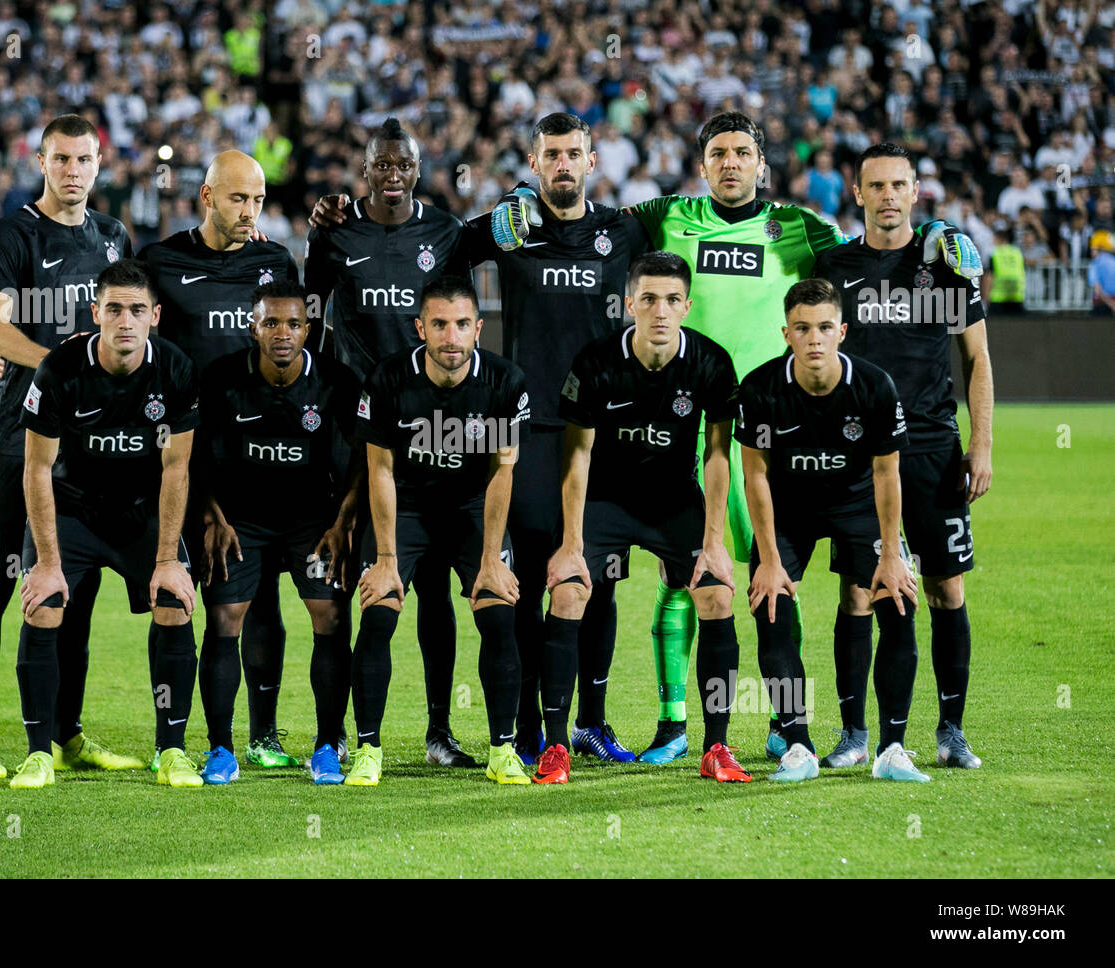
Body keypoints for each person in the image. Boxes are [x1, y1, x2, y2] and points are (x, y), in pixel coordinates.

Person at [497, 110, 982, 764]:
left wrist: (938, 232)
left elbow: (879, 239)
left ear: (761, 164)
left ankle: (789, 726)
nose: (730, 162)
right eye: (719, 152)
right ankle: (674, 725)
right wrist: (523, 198)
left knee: (769, 581)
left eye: (743, 152)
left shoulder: (804, 230)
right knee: (685, 583)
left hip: (764, 435)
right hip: (684, 432)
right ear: (703, 165)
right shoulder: (666, 216)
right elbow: (586, 213)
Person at [314, 113, 651, 767]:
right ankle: (524, 728)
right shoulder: (502, 232)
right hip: (523, 430)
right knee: (518, 582)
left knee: (597, 577)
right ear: (532, 162)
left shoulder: (625, 230)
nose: (562, 163)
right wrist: (504, 203)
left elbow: (668, 273)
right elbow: (440, 250)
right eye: (550, 154)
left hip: (597, 432)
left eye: (573, 153)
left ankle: (593, 721)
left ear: (592, 159)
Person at [0, 114, 139, 782]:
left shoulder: (113, 237)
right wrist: (58, 367)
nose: (73, 172)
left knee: (73, 589)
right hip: (16, 441)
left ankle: (67, 734)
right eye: (60, 160)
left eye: (84, 160)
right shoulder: (11, 234)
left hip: (86, 448)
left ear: (100, 163)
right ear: (41, 162)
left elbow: (134, 320)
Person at [304, 118, 476, 768]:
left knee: (433, 585)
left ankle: (439, 732)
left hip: (433, 427)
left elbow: (457, 316)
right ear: (365, 167)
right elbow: (311, 315)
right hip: (354, 430)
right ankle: (341, 731)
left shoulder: (445, 232)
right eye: (382, 164)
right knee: (352, 577)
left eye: (404, 163)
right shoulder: (335, 232)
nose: (393, 174)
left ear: (417, 166)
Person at [815, 142, 992, 769]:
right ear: (856, 194)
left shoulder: (944, 264)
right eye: (875, 185)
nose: (888, 195)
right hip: (859, 457)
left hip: (931, 451)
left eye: (899, 184)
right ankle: (854, 734)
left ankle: (951, 731)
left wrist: (981, 444)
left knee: (946, 589)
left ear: (915, 191)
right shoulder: (834, 269)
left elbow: (977, 360)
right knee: (859, 594)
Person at [541, 252, 748, 785]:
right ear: (629, 302)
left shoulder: (711, 363)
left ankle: (717, 745)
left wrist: (714, 541)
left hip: (673, 501)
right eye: (649, 299)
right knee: (567, 591)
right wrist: (570, 542)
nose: (660, 311)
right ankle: (557, 746)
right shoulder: (594, 363)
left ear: (687, 306)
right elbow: (577, 457)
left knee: (717, 590)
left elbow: (718, 455)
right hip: (605, 501)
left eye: (672, 300)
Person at [139, 151, 301, 776]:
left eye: (258, 201)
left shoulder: (274, 262)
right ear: (206, 196)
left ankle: (261, 735)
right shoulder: (161, 263)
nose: (250, 212)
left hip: (257, 459)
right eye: (238, 199)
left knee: (259, 601)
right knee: (180, 595)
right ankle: (178, 741)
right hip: (182, 458)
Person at [13, 258, 202, 789]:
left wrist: (167, 560)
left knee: (174, 603)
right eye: (114, 309)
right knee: (44, 605)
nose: (125, 321)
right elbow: (37, 468)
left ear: (155, 316)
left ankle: (171, 751)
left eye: (137, 310)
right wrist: (47, 564)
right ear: (95, 312)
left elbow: (175, 467)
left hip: (141, 514)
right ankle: (40, 753)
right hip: (72, 512)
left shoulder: (176, 371)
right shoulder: (60, 369)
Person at [736, 278, 926, 783]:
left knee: (898, 600)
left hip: (858, 506)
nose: (814, 338)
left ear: (841, 331)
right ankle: (797, 745)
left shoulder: (875, 386)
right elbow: (755, 474)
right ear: (786, 334)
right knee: (770, 603)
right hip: (790, 511)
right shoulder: (759, 389)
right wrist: (771, 559)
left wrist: (890, 554)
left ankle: (891, 748)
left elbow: (888, 474)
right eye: (803, 328)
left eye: (824, 327)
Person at [346, 276, 531, 787]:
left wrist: (492, 558)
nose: (451, 337)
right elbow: (379, 472)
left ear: (478, 328)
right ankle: (368, 750)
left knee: (497, 616)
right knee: (379, 614)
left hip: (472, 508)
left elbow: (501, 471)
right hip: (405, 509)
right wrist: (386, 558)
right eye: (440, 324)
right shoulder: (387, 381)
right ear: (420, 327)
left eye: (462, 325)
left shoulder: (504, 382)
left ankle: (502, 749)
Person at [195, 280, 363, 785]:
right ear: (253, 326)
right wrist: (211, 516)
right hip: (239, 520)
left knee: (330, 615)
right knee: (225, 617)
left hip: (313, 521)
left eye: (293, 324)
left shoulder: (337, 380)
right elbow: (192, 455)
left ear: (308, 330)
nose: (282, 333)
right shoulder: (222, 378)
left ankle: (328, 745)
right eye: (271, 322)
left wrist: (344, 521)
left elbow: (365, 459)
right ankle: (220, 749)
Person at [1087, 230, 1115, 315]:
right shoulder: (1113, 261)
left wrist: (1111, 304)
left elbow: (1097, 289)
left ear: (1101, 248)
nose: (1091, 252)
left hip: (1102, 304)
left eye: (1093, 249)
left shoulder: (1094, 264)